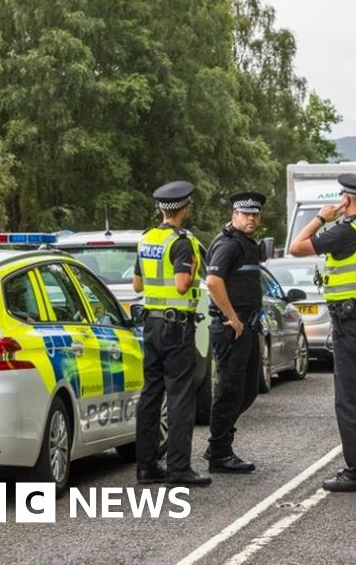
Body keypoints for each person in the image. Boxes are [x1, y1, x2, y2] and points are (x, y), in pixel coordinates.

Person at [288, 173, 356, 492]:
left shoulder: (347, 231)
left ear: (347, 200)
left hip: (354, 323)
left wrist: (322, 217)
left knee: (351, 399)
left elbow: (296, 247)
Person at [133, 180, 211, 487]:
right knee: (180, 395)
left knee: (151, 393)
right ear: (185, 209)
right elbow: (181, 284)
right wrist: (192, 273)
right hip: (176, 325)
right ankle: (179, 468)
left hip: (151, 324)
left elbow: (138, 286)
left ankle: (146, 466)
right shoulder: (182, 242)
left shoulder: (147, 238)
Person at [201, 191, 266, 474]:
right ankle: (219, 453)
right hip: (231, 329)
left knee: (248, 391)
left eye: (255, 214)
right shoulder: (228, 245)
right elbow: (213, 282)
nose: (251, 218)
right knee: (228, 390)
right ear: (234, 215)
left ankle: (218, 442)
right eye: (246, 214)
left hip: (248, 327)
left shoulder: (246, 243)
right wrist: (233, 318)